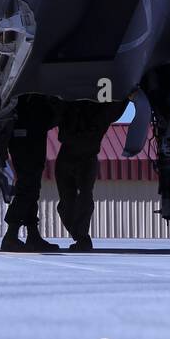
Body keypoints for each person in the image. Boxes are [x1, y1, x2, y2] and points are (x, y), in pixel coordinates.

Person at [53, 99, 128, 251]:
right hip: (71, 153)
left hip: (85, 155)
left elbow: (115, 107)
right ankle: (80, 235)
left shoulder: (101, 108)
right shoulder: (70, 104)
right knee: (67, 201)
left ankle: (81, 236)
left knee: (83, 197)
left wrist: (127, 96)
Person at [1, 95, 60, 252]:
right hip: (27, 137)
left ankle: (33, 235)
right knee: (28, 187)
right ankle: (11, 234)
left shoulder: (32, 95)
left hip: (32, 135)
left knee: (31, 187)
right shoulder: (29, 94)